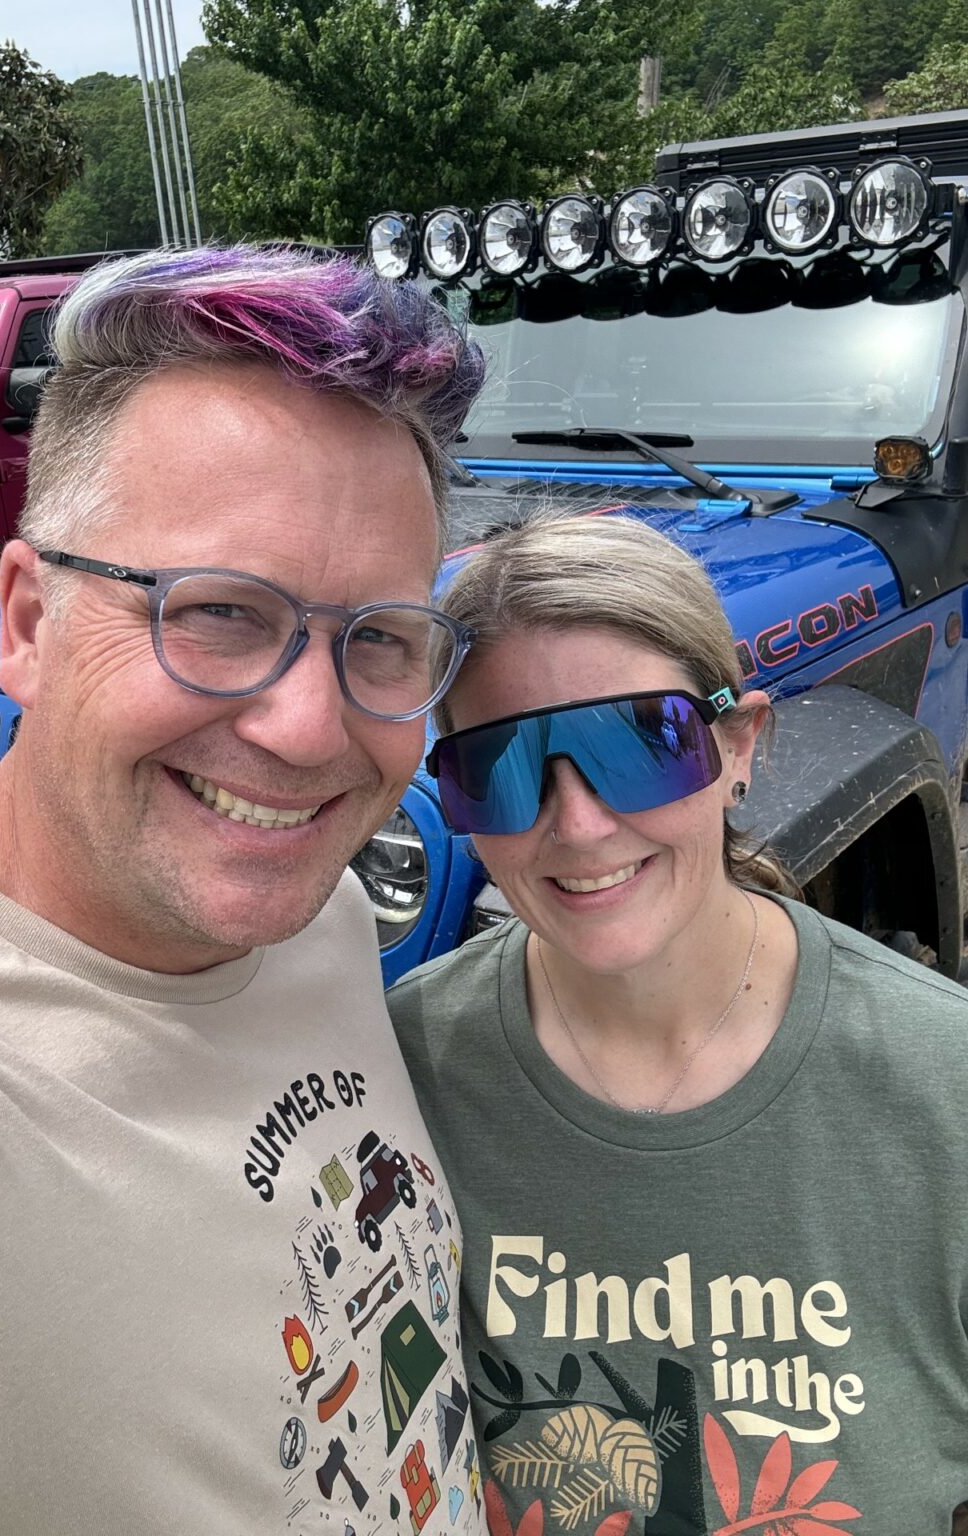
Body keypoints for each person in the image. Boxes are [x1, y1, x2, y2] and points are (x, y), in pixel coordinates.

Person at [0, 246, 491, 1535]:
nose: (309, 732)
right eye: (220, 611)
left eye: (381, 639)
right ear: (25, 623)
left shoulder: (323, 916)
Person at [388, 513, 968, 1536]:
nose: (576, 824)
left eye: (636, 744)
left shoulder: (943, 1087)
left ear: (739, 744)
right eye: (501, 769)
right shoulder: (407, 1070)